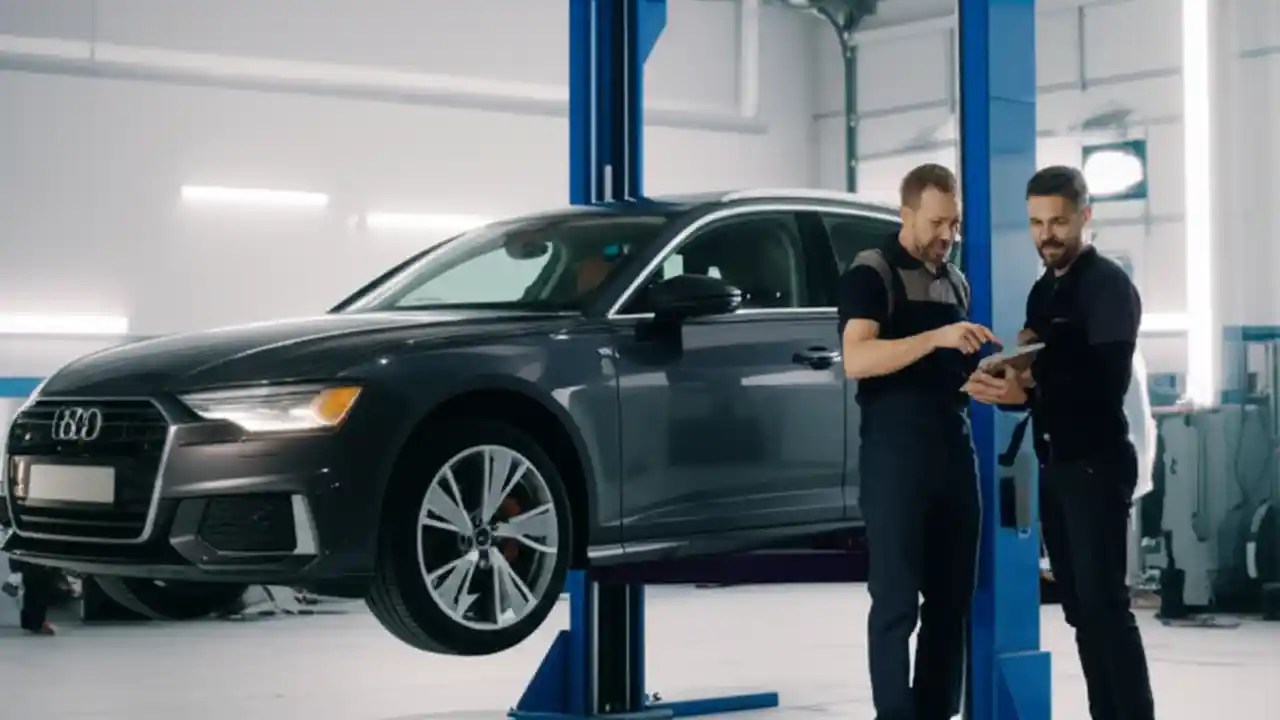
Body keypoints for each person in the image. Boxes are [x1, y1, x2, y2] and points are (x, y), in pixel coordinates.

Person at [964, 165, 1156, 720]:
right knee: (1079, 609)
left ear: (1085, 217)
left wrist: (1030, 384)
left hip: (1096, 463)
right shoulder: (1042, 291)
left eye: (1059, 222)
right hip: (1056, 462)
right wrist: (1007, 386)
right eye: (1036, 223)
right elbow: (1039, 378)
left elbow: (1104, 384)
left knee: (1104, 608)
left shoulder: (1109, 287)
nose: (1047, 235)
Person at [838, 163, 999, 720]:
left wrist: (991, 378)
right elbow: (856, 358)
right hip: (894, 454)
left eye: (953, 224)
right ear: (905, 214)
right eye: (936, 223)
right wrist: (935, 337)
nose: (947, 236)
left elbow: (949, 366)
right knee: (895, 604)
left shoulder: (956, 281)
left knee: (951, 601)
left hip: (954, 448)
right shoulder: (872, 272)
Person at [4, 557, 59, 635]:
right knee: (38, 593)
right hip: (33, 563)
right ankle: (38, 624)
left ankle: (31, 624)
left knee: (28, 594)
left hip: (22, 561)